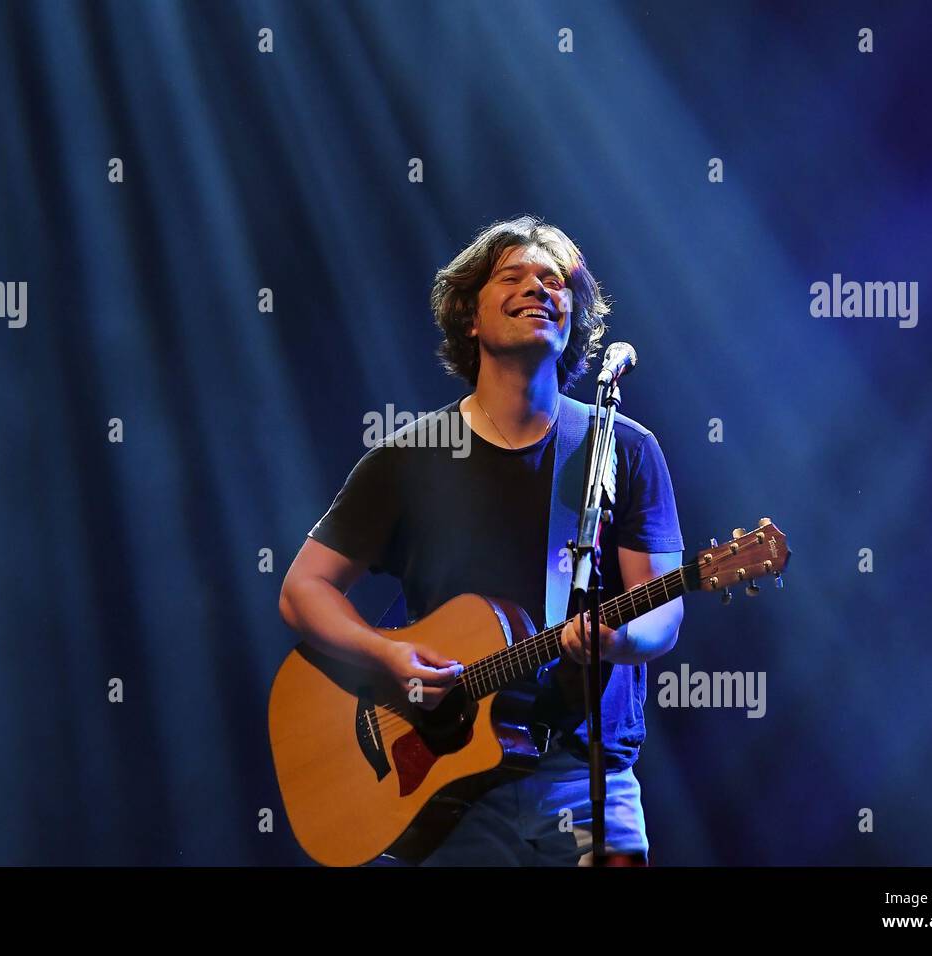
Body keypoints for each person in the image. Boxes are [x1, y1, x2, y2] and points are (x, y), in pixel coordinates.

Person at [278, 215, 685, 866]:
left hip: (585, 779)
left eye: (554, 280)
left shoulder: (624, 449)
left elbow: (664, 607)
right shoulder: (409, 457)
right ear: (469, 317)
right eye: (513, 275)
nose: (538, 287)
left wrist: (617, 638)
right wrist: (385, 659)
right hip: (445, 790)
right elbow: (304, 589)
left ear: (573, 318)